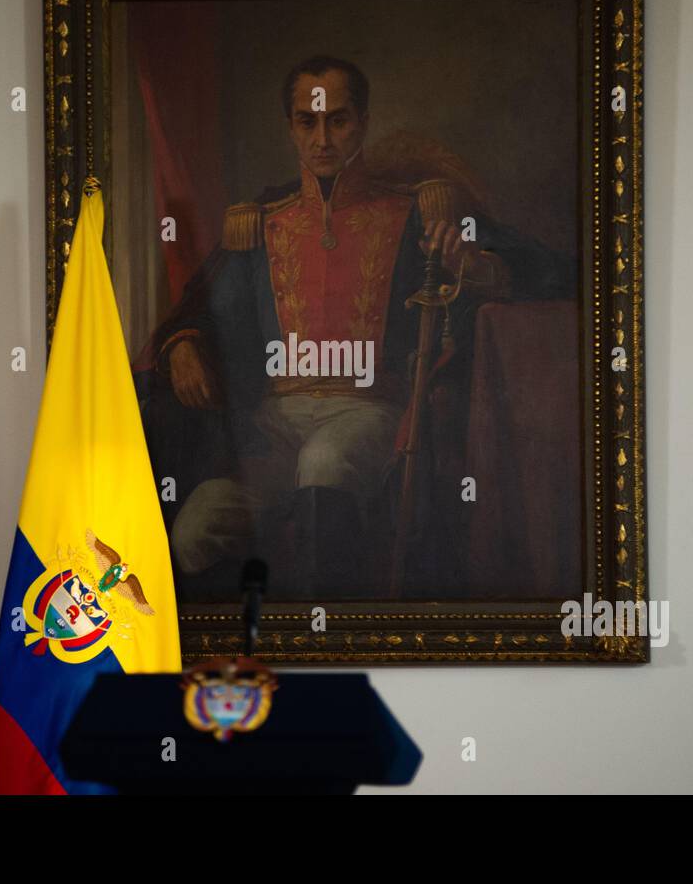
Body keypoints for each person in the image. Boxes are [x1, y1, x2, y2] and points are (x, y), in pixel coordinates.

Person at [140, 55, 570, 600]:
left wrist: (478, 266)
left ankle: (333, 644)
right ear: (290, 127)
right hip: (271, 427)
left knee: (324, 460)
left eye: (337, 120)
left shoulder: (418, 209)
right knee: (194, 532)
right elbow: (202, 311)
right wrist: (183, 343)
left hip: (370, 414)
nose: (322, 138)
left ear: (362, 122)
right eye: (307, 122)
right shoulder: (259, 222)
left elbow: (548, 268)